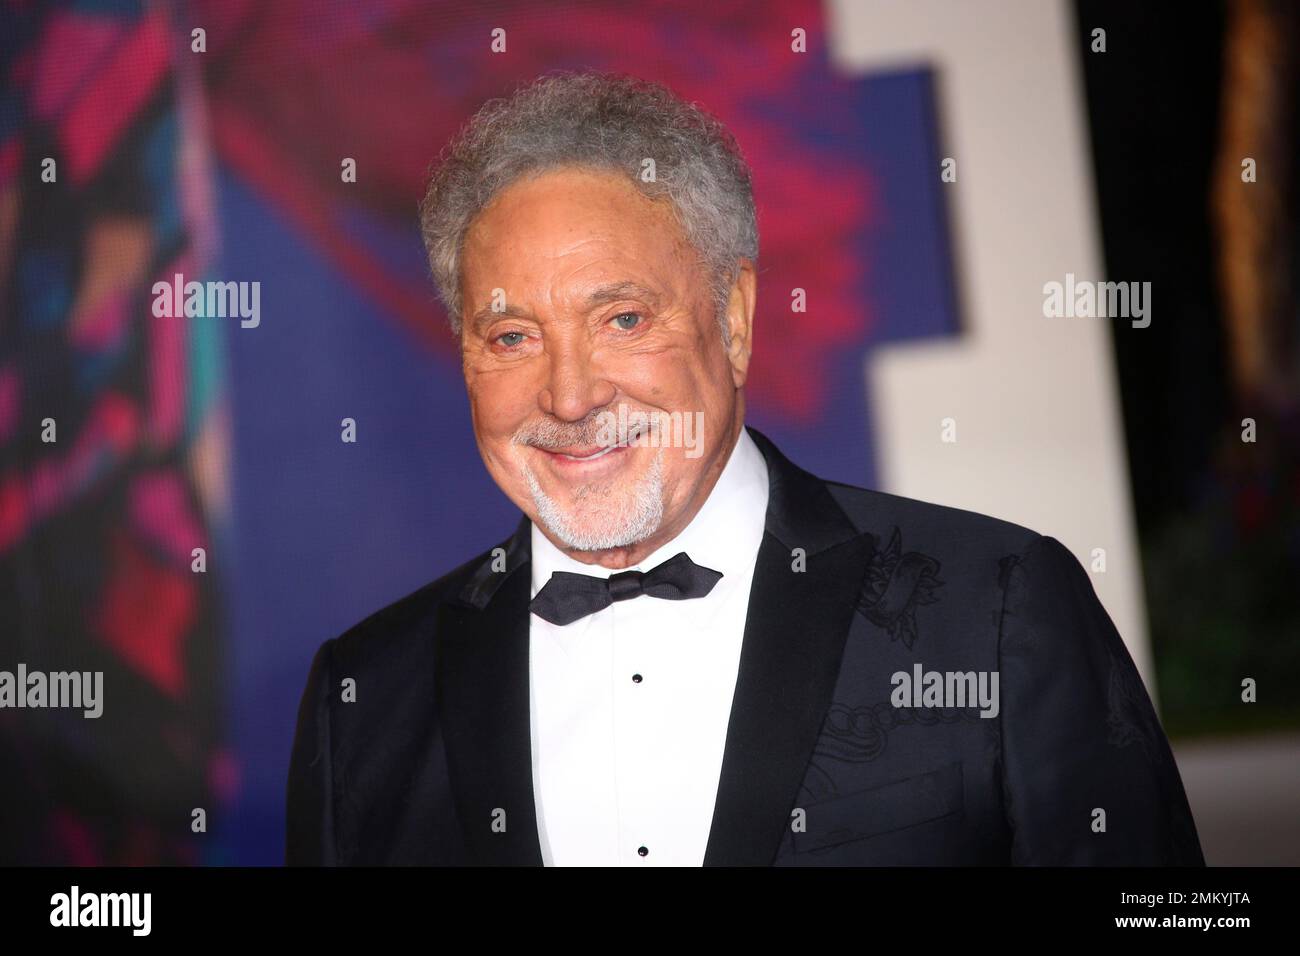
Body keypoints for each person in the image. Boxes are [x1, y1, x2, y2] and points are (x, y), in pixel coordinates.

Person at [285, 71, 1204, 866]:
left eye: (624, 320)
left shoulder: (996, 610)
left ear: (734, 319)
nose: (567, 398)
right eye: (512, 336)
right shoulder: (362, 700)